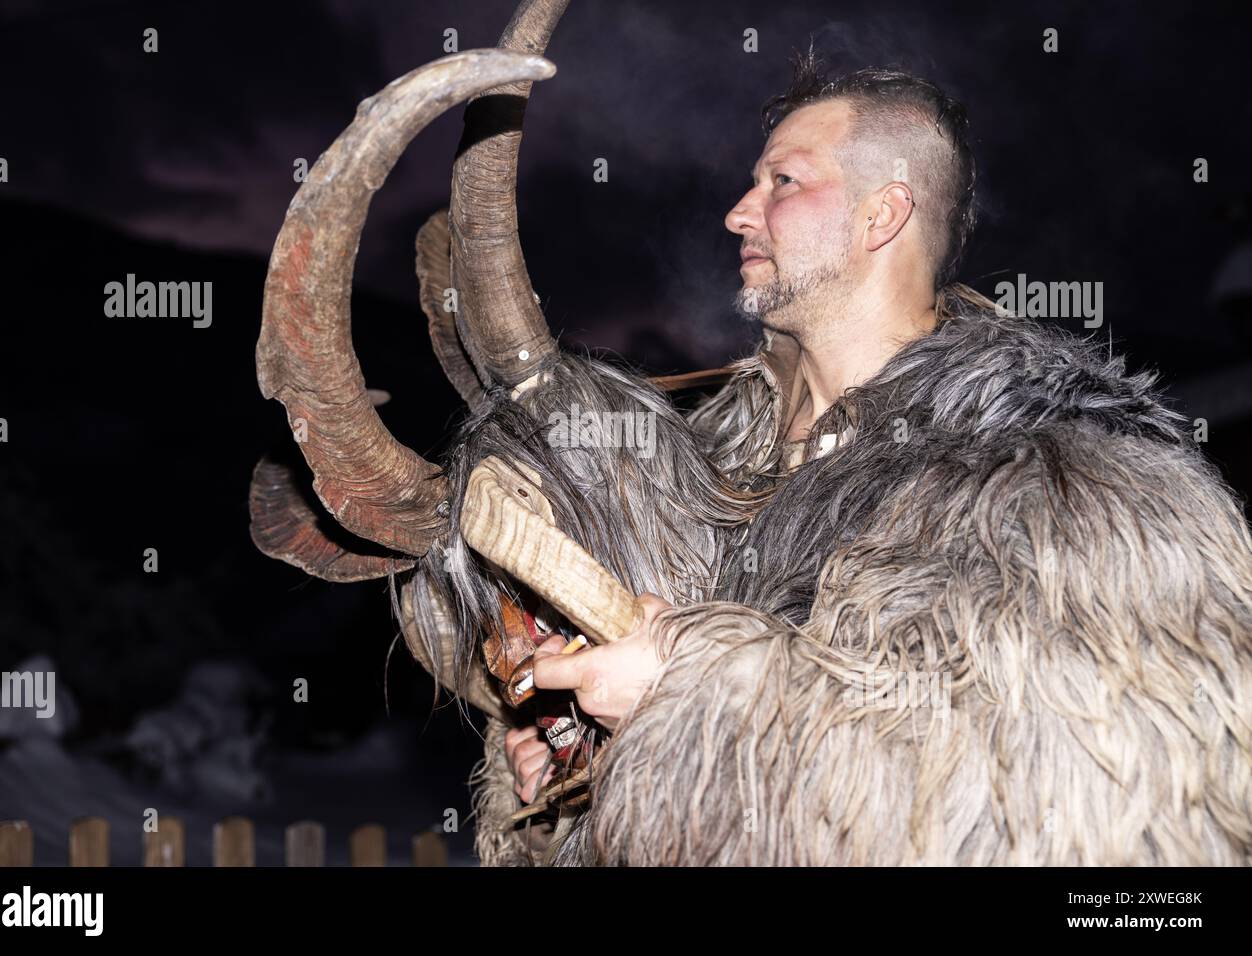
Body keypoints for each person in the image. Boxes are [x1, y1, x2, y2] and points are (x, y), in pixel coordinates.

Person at [500, 52, 1252, 865]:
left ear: (882, 215)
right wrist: (580, 781)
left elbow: (1065, 812)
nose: (739, 214)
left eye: (783, 182)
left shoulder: (1063, 486)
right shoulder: (706, 477)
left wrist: (690, 696)